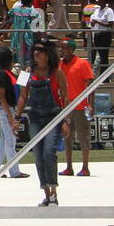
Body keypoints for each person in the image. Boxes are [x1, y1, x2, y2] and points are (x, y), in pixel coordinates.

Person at [16, 38, 70, 206]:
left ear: (48, 54)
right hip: (34, 118)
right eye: (35, 50)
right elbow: (23, 96)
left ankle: (54, 191)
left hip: (53, 117)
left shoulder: (57, 72)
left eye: (40, 50)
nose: (36, 53)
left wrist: (65, 120)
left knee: (49, 152)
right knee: (38, 156)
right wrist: (16, 117)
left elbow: (66, 97)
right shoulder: (26, 72)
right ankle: (46, 193)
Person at [0, 47, 28, 179]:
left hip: (6, 109)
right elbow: (1, 96)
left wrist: (25, 74)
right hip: (3, 109)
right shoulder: (1, 73)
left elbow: (19, 85)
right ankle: (14, 171)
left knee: (4, 140)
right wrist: (11, 117)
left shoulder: (7, 72)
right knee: (10, 139)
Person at [58, 38, 94, 178]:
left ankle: (85, 167)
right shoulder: (60, 65)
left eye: (64, 48)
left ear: (72, 50)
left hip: (80, 106)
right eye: (60, 48)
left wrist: (91, 104)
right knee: (67, 137)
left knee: (83, 137)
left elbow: (90, 85)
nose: (62, 51)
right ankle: (69, 167)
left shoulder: (82, 63)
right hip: (66, 107)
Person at [88, 0, 114, 77]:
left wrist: (98, 22)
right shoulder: (97, 10)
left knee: (104, 56)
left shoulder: (109, 11)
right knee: (100, 55)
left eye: (100, 0)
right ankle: (106, 75)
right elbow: (93, 20)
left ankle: (104, 76)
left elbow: (110, 24)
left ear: (104, 1)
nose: (98, 1)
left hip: (105, 35)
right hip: (97, 35)